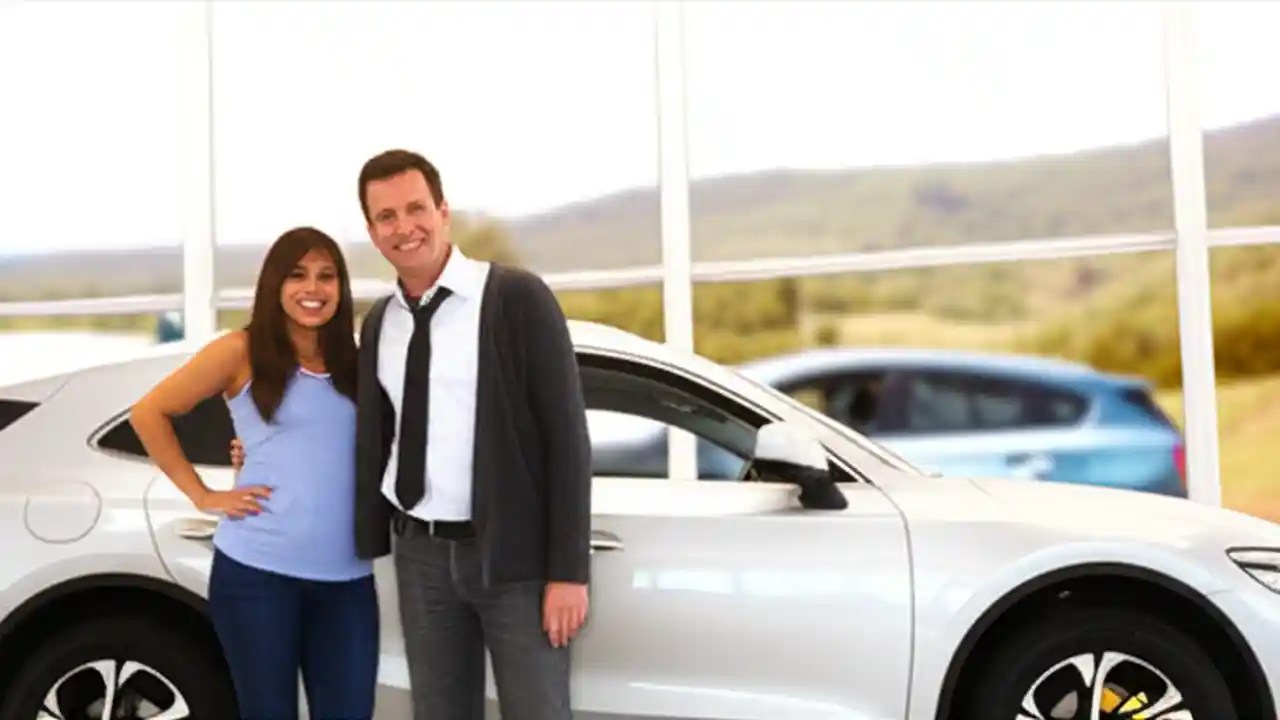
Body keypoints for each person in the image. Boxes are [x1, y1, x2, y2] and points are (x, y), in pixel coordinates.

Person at [356, 148, 591, 719]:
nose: (403, 227)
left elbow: (567, 440)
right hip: (421, 557)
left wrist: (568, 572)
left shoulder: (515, 299)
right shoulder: (379, 322)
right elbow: (370, 435)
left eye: (416, 208)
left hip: (515, 560)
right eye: (386, 216)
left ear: (443, 212)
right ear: (371, 230)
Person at [131, 227, 378, 719]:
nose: (314, 289)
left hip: (347, 582)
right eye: (298, 275)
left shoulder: (357, 359)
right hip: (258, 578)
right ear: (274, 285)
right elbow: (148, 413)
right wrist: (204, 495)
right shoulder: (239, 352)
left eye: (327, 276)